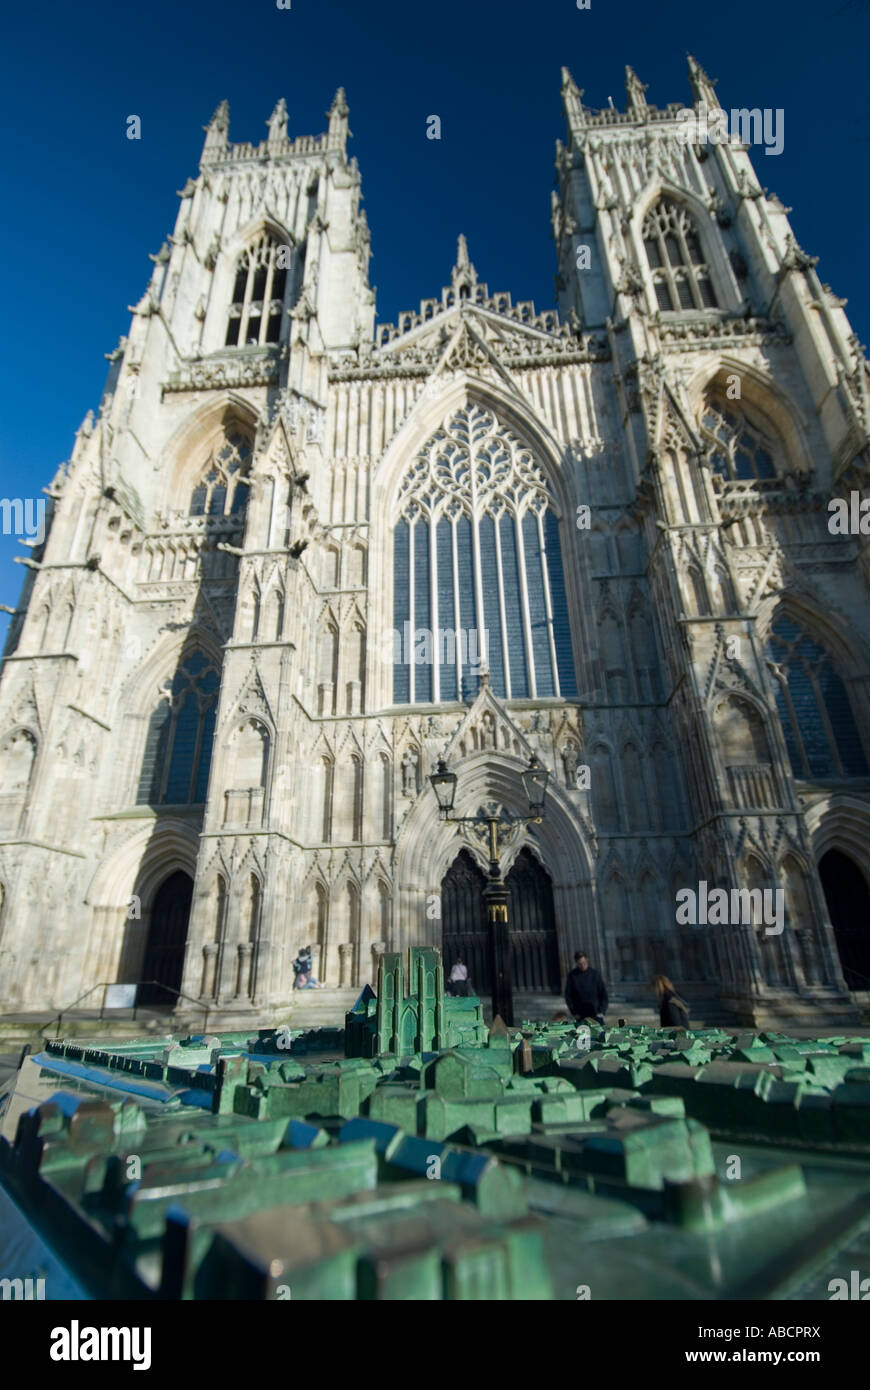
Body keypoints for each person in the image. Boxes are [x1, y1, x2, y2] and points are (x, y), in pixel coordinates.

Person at [565, 951, 608, 1024]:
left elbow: (603, 994)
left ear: (587, 960)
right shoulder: (572, 976)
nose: (582, 965)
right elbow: (568, 996)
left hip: (596, 1014)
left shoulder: (595, 974)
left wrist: (602, 1011)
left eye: (584, 963)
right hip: (580, 1015)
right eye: (580, 964)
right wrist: (574, 1013)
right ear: (576, 963)